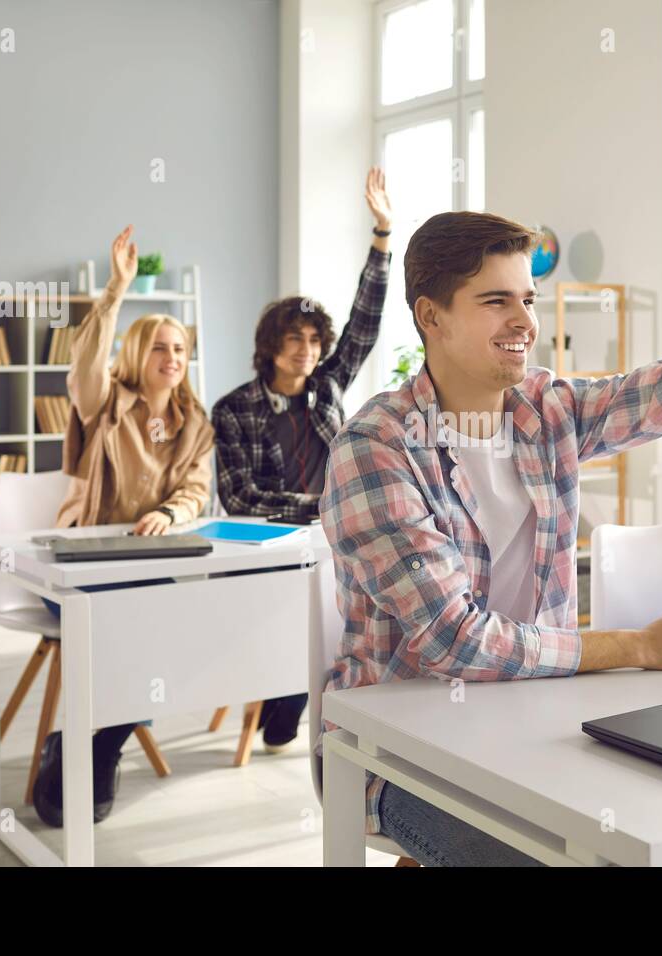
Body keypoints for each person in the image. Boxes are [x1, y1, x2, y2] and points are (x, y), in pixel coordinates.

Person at [318, 87, 662, 865]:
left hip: (540, 723)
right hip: (399, 756)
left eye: (529, 299)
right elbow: (456, 642)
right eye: (494, 302)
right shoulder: (375, 449)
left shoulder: (548, 409)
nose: (524, 321)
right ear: (431, 317)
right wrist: (635, 649)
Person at [33, 224, 216, 827]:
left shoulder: (194, 420)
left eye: (181, 349)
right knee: (129, 634)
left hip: (149, 564)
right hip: (82, 567)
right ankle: (92, 748)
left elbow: (196, 487)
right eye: (160, 347)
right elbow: (84, 364)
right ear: (138, 353)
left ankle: (92, 745)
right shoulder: (104, 401)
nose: (172, 358)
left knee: (173, 628)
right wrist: (115, 290)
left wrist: (171, 512)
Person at [212, 167, 393, 752]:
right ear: (271, 346)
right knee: (293, 612)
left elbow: (364, 325)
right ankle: (287, 695)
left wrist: (382, 238)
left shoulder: (328, 388)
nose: (308, 351)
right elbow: (239, 497)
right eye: (295, 340)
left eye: (315, 342)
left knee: (356, 606)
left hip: (328, 539)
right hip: (265, 544)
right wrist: (314, 506)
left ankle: (310, 702)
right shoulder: (235, 408)